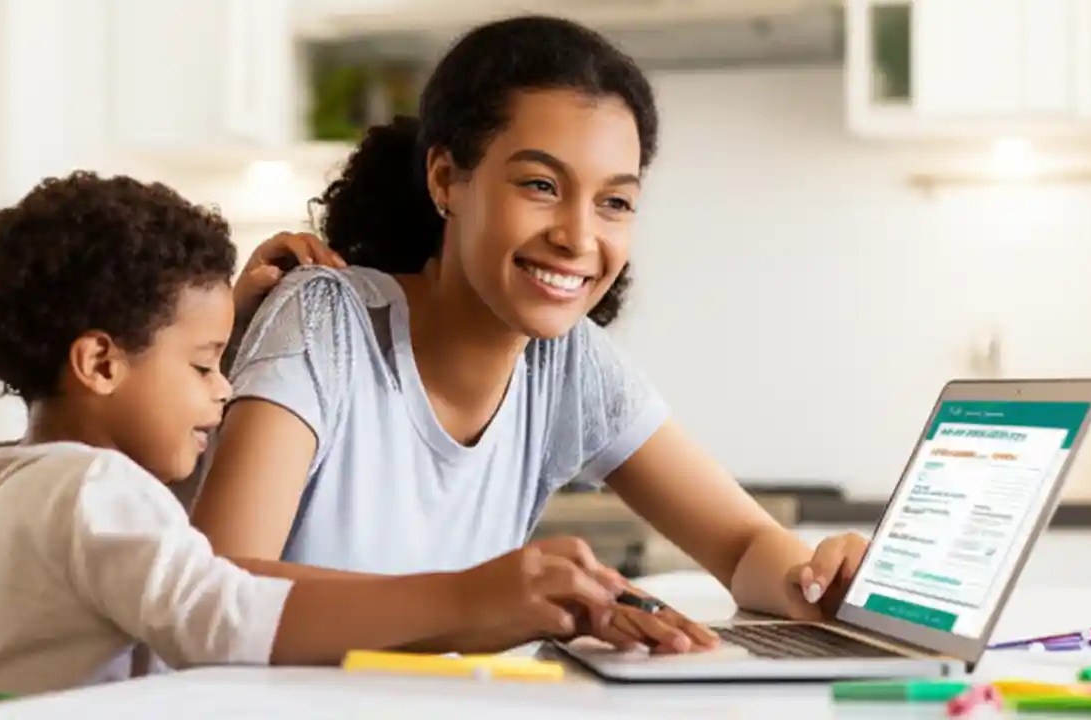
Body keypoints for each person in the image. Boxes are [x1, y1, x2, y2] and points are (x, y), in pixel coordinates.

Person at [191, 15, 870, 654]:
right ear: (446, 179)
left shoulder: (567, 363)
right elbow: (216, 595)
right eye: (541, 185)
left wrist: (813, 584)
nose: (578, 236)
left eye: (614, 202)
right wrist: (473, 602)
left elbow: (747, 543)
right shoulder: (326, 320)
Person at [0, 172, 635, 711]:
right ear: (100, 364)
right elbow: (218, 611)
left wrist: (217, 329)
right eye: (202, 366)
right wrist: (465, 600)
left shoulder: (12, 485)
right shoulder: (90, 493)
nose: (225, 388)